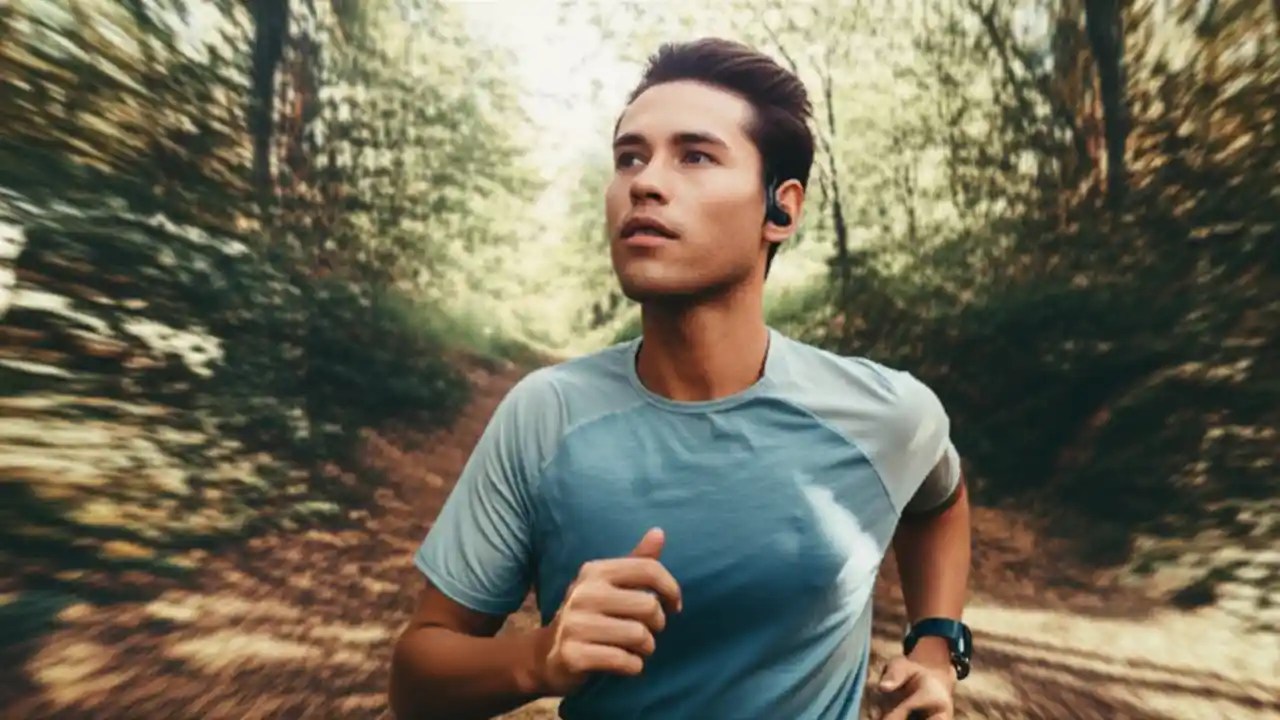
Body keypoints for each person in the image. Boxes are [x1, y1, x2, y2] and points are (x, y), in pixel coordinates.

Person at [389, 37, 973, 720]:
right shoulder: (545, 415)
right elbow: (416, 682)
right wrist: (538, 657)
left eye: (694, 155)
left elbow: (939, 501)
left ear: (781, 209)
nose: (644, 181)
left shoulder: (885, 412)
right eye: (629, 157)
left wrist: (936, 646)